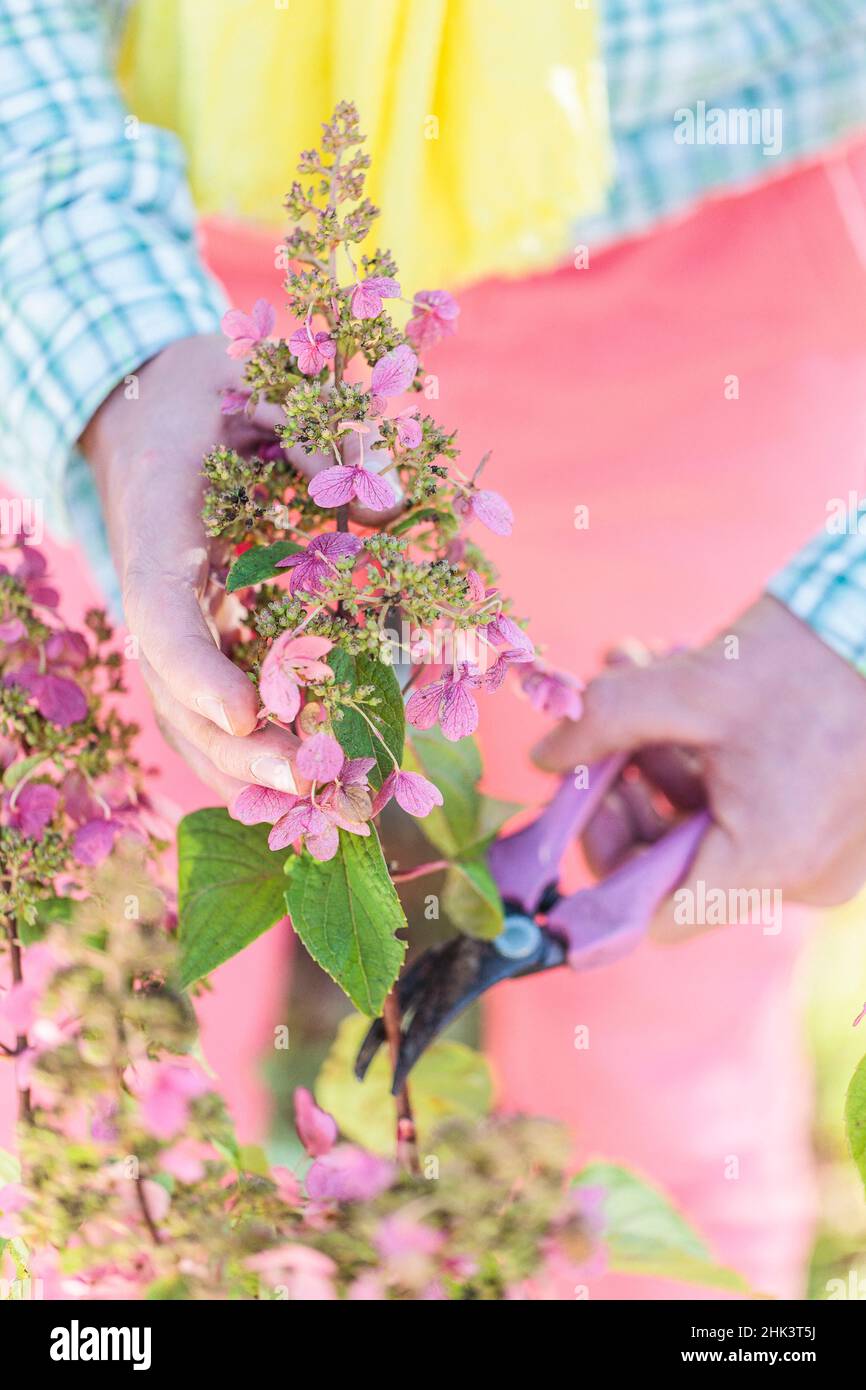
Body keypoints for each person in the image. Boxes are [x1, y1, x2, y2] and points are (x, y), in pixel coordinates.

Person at [3, 0, 866, 1296]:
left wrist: (848, 631)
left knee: (662, 1004)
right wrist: (104, 357)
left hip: (702, 261)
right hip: (131, 239)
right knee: (79, 1016)